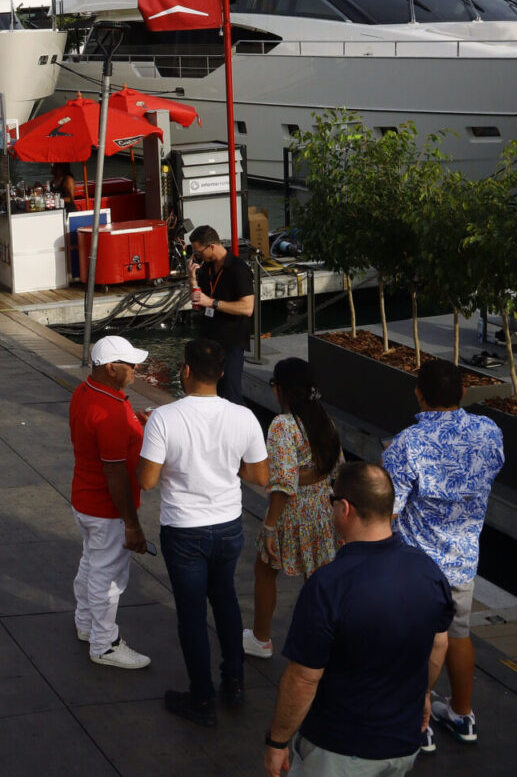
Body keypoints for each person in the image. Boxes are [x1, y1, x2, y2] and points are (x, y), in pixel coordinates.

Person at [263, 463, 454, 777]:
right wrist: (422, 695)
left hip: (339, 747)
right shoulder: (428, 572)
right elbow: (438, 646)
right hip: (403, 745)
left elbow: (303, 678)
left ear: (344, 508)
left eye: (331, 501)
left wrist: (277, 740)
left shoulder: (329, 584)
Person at [137, 338, 269, 727]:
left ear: (187, 371)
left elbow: (147, 481)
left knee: (192, 614)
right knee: (225, 599)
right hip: (228, 524)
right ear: (223, 372)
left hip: (183, 529)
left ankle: (202, 697)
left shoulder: (165, 418)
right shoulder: (242, 416)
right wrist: (226, 467)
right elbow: (260, 476)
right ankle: (235, 681)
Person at [382, 359, 504, 748]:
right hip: (464, 559)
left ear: (418, 394)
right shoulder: (489, 432)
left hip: (416, 567)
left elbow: (391, 510)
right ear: (463, 393)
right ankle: (462, 714)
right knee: (459, 635)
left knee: (417, 642)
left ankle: (419, 726)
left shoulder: (406, 444)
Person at [245, 357, 341, 661]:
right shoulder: (324, 420)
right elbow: (336, 468)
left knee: (265, 570)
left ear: (280, 389)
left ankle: (261, 639)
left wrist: (269, 525)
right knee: (317, 582)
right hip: (322, 513)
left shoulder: (282, 425)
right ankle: (324, 643)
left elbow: (284, 482)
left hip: (290, 515)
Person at [69, 335, 153, 670]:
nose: (136, 368)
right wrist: (132, 525)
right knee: (110, 579)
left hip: (85, 501)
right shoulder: (111, 412)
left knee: (91, 564)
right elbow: (116, 475)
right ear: (111, 367)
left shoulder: (86, 393)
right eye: (129, 364)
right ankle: (104, 645)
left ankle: (86, 625)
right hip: (107, 511)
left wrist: (135, 423)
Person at [187, 225, 255, 404]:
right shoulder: (206, 268)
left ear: (211, 247)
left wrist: (212, 303)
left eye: (198, 251)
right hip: (208, 340)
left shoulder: (238, 269)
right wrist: (192, 278)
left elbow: (247, 308)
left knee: (230, 393)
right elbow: (197, 303)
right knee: (207, 393)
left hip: (230, 343)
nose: (196, 255)